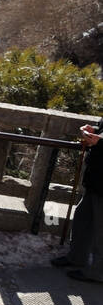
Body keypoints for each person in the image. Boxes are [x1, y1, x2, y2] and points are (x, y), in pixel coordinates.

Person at [54, 121, 103, 283]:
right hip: (96, 177)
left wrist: (99, 141)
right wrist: (93, 131)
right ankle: (77, 257)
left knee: (100, 229)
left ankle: (98, 272)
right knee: (83, 218)